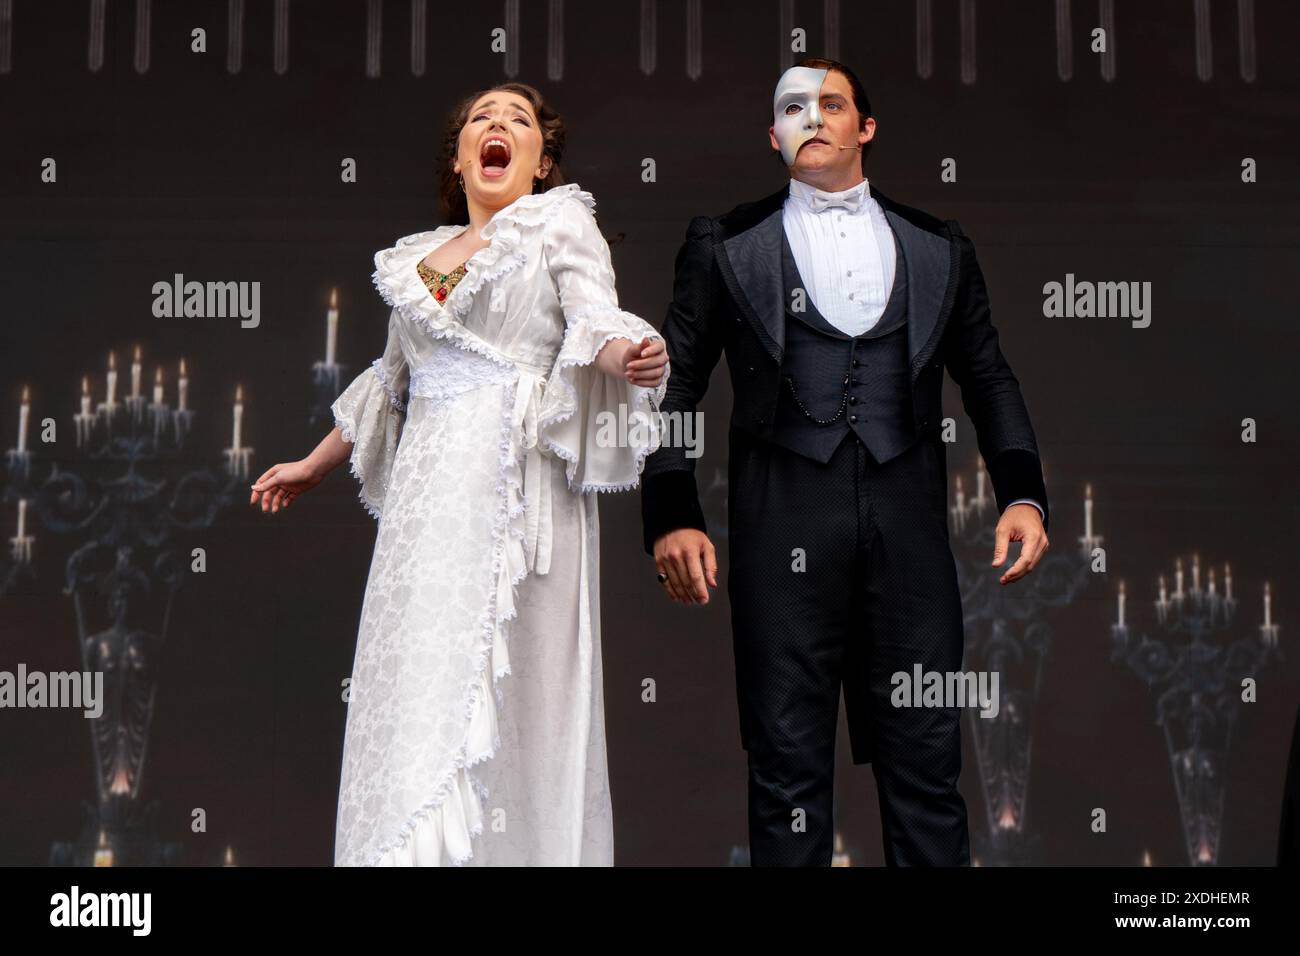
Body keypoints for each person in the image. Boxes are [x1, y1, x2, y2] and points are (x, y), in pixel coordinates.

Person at [641, 57, 1049, 866]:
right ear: (773, 136)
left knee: (928, 765)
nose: (813, 117)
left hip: (910, 536)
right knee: (786, 768)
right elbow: (676, 382)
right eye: (794, 107)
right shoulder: (726, 244)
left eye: (831, 104)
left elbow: (989, 376)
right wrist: (671, 511)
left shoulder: (940, 248)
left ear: (865, 127)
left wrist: (1023, 495)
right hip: (779, 525)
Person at [249, 82, 669, 866]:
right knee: (417, 694)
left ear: (541, 162)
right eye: (483, 118)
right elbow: (391, 378)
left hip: (518, 487)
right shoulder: (415, 260)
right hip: (427, 506)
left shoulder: (558, 223)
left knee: (518, 690)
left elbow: (595, 322)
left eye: (519, 121)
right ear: (460, 155)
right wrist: (312, 464)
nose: (498, 126)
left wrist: (629, 356)